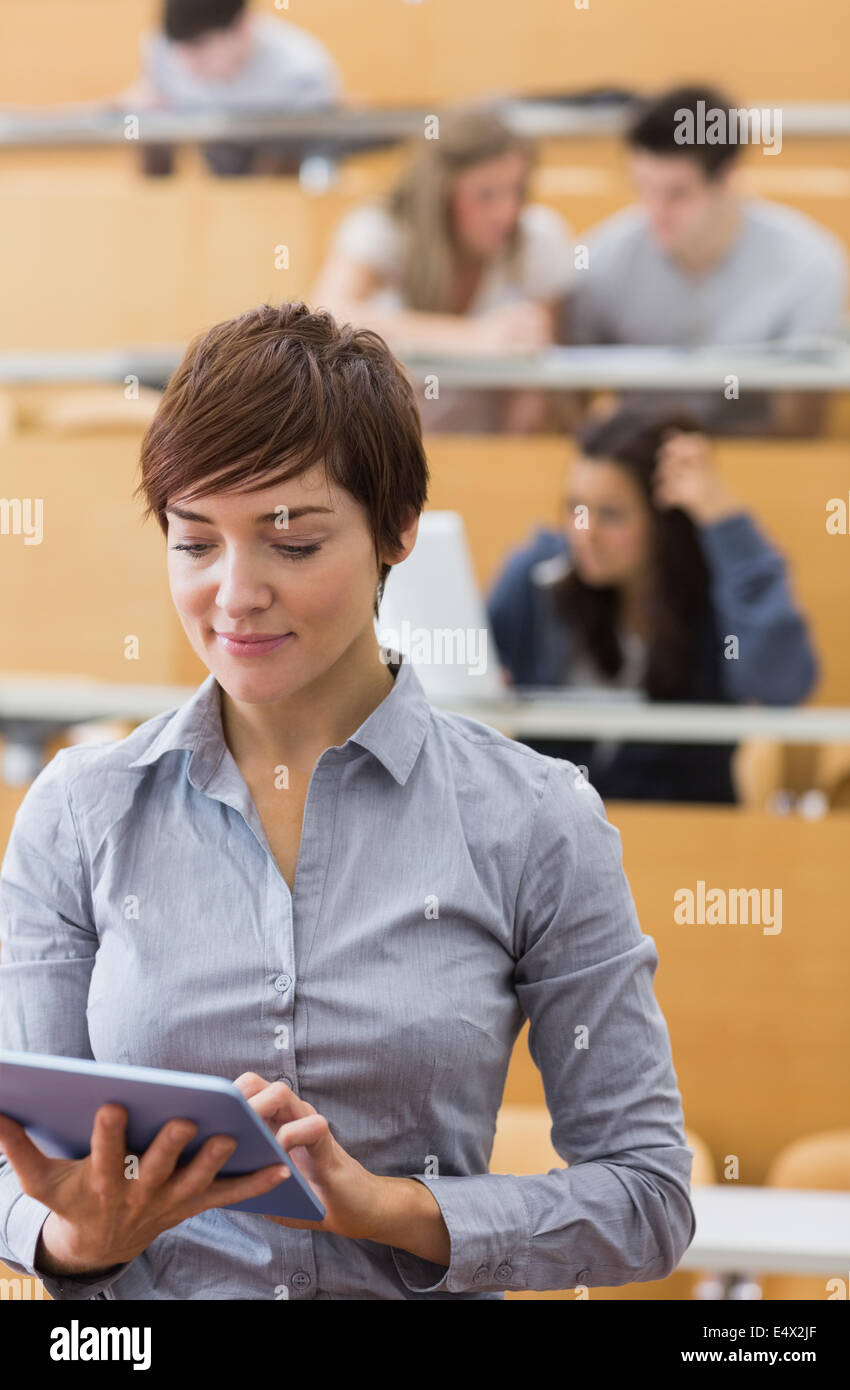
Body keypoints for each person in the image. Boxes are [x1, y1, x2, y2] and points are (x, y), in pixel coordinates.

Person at [0, 302, 694, 1301]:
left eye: (290, 542)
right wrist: (74, 1240)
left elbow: (645, 1196)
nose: (234, 593)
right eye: (195, 543)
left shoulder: (535, 818)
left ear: (396, 532)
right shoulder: (77, 811)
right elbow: (15, 1163)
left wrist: (393, 1210)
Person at [486, 407, 818, 803]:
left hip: (687, 839)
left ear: (664, 524)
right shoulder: (537, 576)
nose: (584, 533)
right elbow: (459, 669)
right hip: (551, 842)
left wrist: (723, 517)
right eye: (575, 508)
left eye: (611, 515)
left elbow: (783, 684)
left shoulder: (717, 593)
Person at [561, 85, 850, 437]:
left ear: (727, 178)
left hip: (757, 467)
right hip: (637, 465)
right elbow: (568, 394)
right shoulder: (600, 258)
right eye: (643, 189)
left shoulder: (809, 264)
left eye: (676, 194)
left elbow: (799, 427)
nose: (655, 212)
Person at [312, 105, 577, 433]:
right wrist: (475, 338)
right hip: (395, 432)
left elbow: (547, 381)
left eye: (517, 192)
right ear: (441, 193)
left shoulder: (539, 236)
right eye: (485, 195)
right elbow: (329, 315)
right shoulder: (383, 228)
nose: (506, 213)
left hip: (493, 443)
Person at [126, 0, 342, 175]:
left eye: (198, 46)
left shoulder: (300, 73)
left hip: (276, 179)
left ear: (242, 26)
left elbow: (318, 159)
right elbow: (143, 108)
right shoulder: (163, 54)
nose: (182, 64)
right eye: (176, 47)